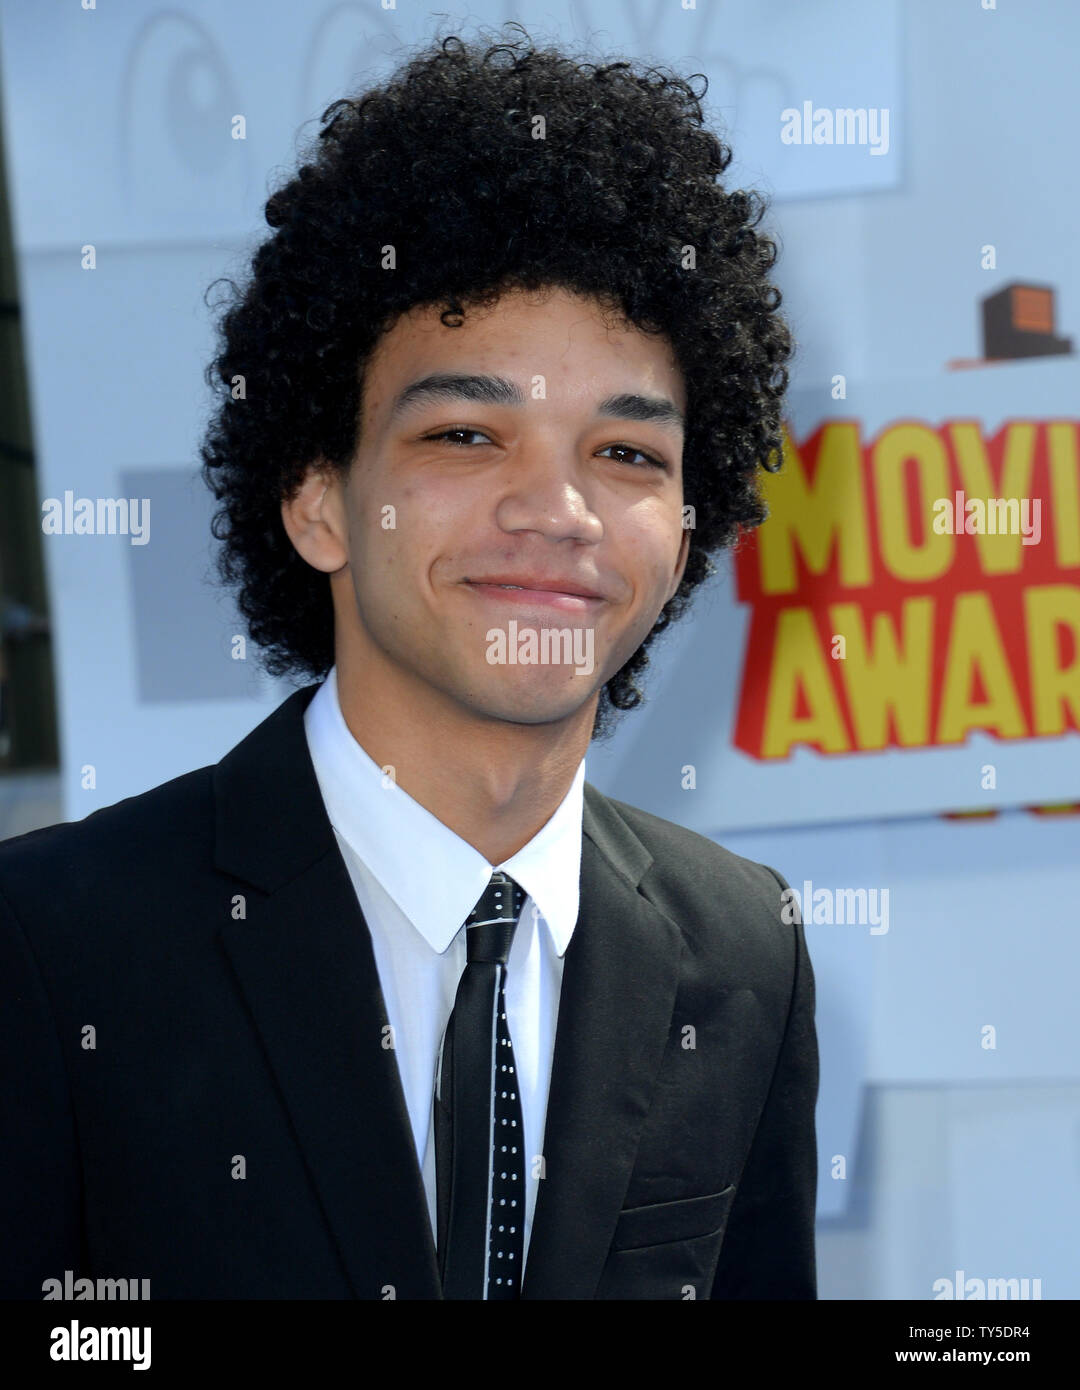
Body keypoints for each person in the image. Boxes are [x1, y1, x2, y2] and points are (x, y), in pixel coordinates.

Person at [0, 25, 818, 1300]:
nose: (559, 512)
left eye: (628, 453)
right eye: (467, 433)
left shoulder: (742, 950)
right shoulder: (52, 946)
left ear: (687, 526)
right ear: (317, 498)